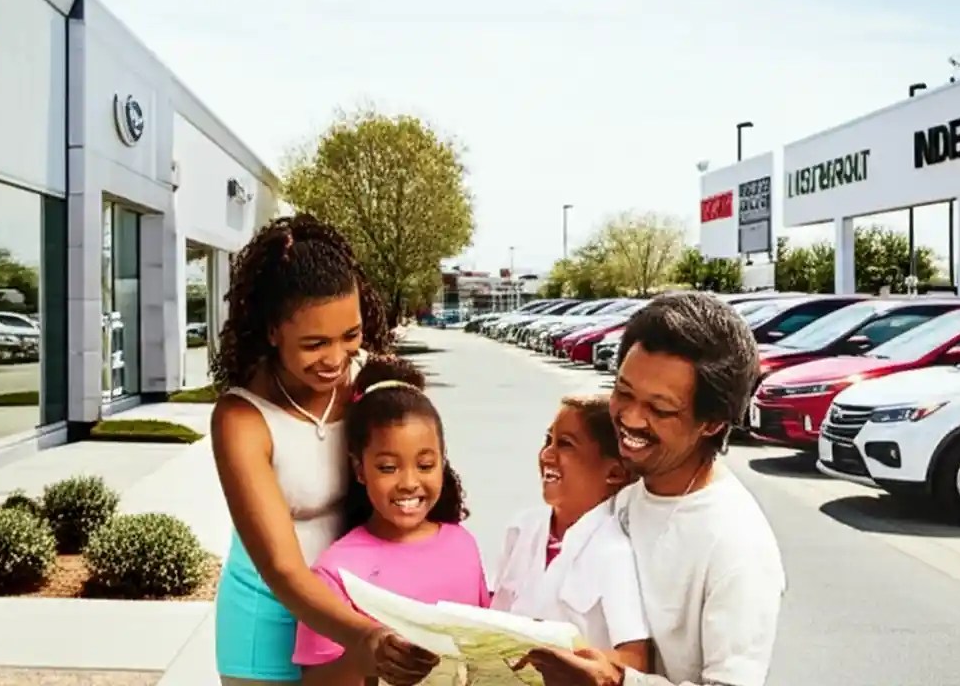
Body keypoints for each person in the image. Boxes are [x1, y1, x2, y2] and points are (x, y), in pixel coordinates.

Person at [210, 214, 438, 686]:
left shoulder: (370, 382)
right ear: (273, 331)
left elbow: (421, 478)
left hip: (359, 621)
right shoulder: (242, 420)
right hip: (270, 630)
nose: (337, 359)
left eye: (350, 336)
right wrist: (365, 639)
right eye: (315, 343)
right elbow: (283, 568)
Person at [515, 291, 787, 686]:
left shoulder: (738, 543)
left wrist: (618, 682)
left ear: (711, 422)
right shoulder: (619, 497)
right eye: (623, 392)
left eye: (659, 409)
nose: (629, 418)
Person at [292, 356, 488, 685]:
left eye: (425, 465)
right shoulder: (335, 572)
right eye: (387, 467)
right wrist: (364, 658)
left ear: (443, 461)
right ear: (360, 469)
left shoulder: (462, 543)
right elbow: (314, 681)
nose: (409, 482)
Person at [491, 394, 651, 671]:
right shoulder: (522, 529)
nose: (546, 455)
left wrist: (568, 658)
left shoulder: (615, 552)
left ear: (614, 472)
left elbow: (634, 660)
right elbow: (494, 617)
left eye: (565, 444)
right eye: (547, 441)